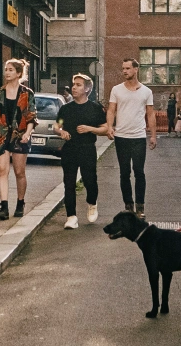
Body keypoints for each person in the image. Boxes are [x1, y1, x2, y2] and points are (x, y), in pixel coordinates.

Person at [56, 72, 109, 229]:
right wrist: (61, 132)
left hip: (87, 149)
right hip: (70, 150)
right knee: (69, 183)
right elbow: (57, 125)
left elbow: (105, 129)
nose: (74, 87)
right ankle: (71, 217)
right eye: (74, 85)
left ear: (87, 89)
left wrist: (89, 129)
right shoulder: (65, 109)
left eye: (78, 85)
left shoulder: (95, 108)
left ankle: (92, 203)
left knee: (89, 181)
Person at [0, 59, 36, 221]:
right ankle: (4, 206)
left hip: (19, 136)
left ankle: (20, 203)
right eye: (6, 69)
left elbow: (31, 116)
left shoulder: (27, 93)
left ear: (19, 73)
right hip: (0, 136)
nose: (7, 72)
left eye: (11, 70)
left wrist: (27, 133)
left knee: (19, 172)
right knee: (2, 170)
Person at [108, 58, 157, 214]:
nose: (124, 71)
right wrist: (109, 126)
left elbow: (150, 114)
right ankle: (128, 205)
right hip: (121, 136)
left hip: (138, 137)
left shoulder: (146, 91)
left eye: (128, 68)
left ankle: (140, 206)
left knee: (139, 171)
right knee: (124, 172)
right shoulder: (116, 89)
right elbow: (111, 110)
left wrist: (153, 136)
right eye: (123, 68)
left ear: (136, 69)